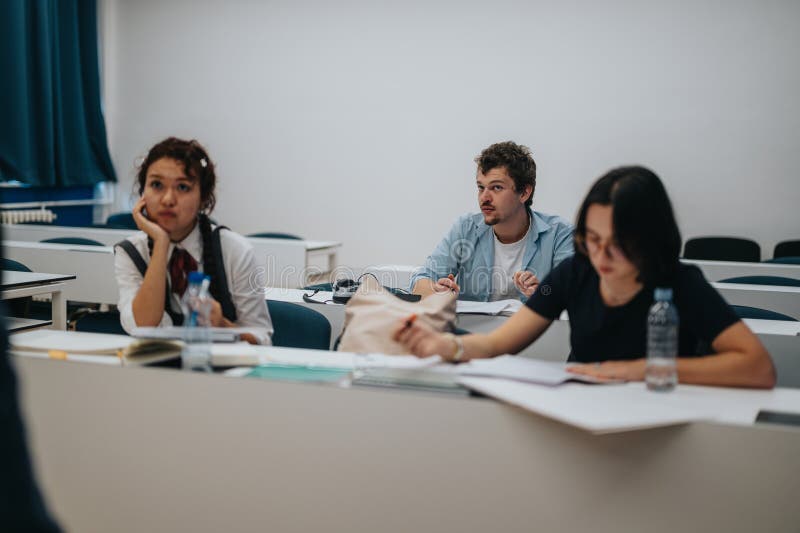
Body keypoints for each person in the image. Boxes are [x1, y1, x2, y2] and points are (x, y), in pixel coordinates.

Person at [396, 166, 776, 388]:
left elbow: (758, 367)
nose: (601, 256)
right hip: (585, 405)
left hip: (661, 413)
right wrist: (451, 348)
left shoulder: (679, 281)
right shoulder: (577, 272)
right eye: (592, 240)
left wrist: (641, 370)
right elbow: (498, 344)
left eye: (618, 244)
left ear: (649, 239)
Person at [115, 137, 273, 345]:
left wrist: (223, 325)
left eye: (182, 187)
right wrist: (161, 243)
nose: (168, 199)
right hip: (155, 370)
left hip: (223, 371)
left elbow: (262, 339)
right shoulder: (131, 252)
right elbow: (143, 326)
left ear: (203, 197)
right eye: (156, 185)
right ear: (143, 193)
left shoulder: (234, 250)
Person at [409, 141, 573, 302]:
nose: (484, 198)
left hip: (534, 329)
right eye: (481, 187)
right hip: (472, 329)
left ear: (524, 192)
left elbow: (577, 295)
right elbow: (421, 279)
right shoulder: (465, 229)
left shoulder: (560, 234)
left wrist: (545, 294)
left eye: (496, 188)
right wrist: (436, 291)